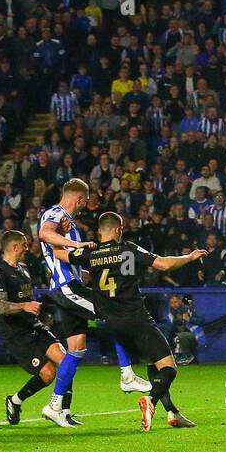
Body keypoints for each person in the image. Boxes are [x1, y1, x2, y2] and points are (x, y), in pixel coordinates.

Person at [57, 211, 206, 430]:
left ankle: (173, 413)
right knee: (169, 367)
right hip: (136, 319)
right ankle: (151, 401)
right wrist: (189, 257)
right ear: (118, 229)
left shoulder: (91, 252)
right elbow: (163, 265)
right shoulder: (128, 248)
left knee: (152, 365)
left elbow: (60, 253)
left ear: (100, 231)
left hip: (113, 326)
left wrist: (60, 233)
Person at [38, 178, 149, 427]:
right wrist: (77, 243)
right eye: (84, 202)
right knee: (115, 315)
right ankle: (127, 375)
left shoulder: (67, 223)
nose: (84, 207)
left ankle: (56, 406)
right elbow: (44, 233)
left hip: (70, 285)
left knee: (76, 349)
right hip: (67, 288)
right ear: (79, 199)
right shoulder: (55, 213)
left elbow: (62, 253)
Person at [0, 230, 71, 426]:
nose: (27, 249)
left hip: (34, 326)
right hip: (17, 334)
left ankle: (64, 411)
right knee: (47, 374)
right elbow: (1, 306)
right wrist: (24, 306)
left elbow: (28, 300)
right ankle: (14, 401)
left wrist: (41, 315)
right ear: (15, 247)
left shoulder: (24, 269)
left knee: (66, 361)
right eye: (25, 245)